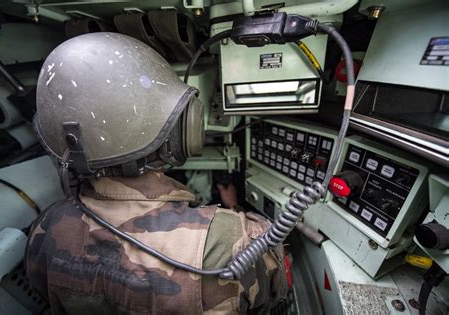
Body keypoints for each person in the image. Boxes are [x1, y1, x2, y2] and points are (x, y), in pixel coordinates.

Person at [25, 32, 288, 314]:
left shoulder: (47, 225)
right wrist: (234, 209)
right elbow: (274, 294)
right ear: (180, 132)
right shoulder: (235, 238)